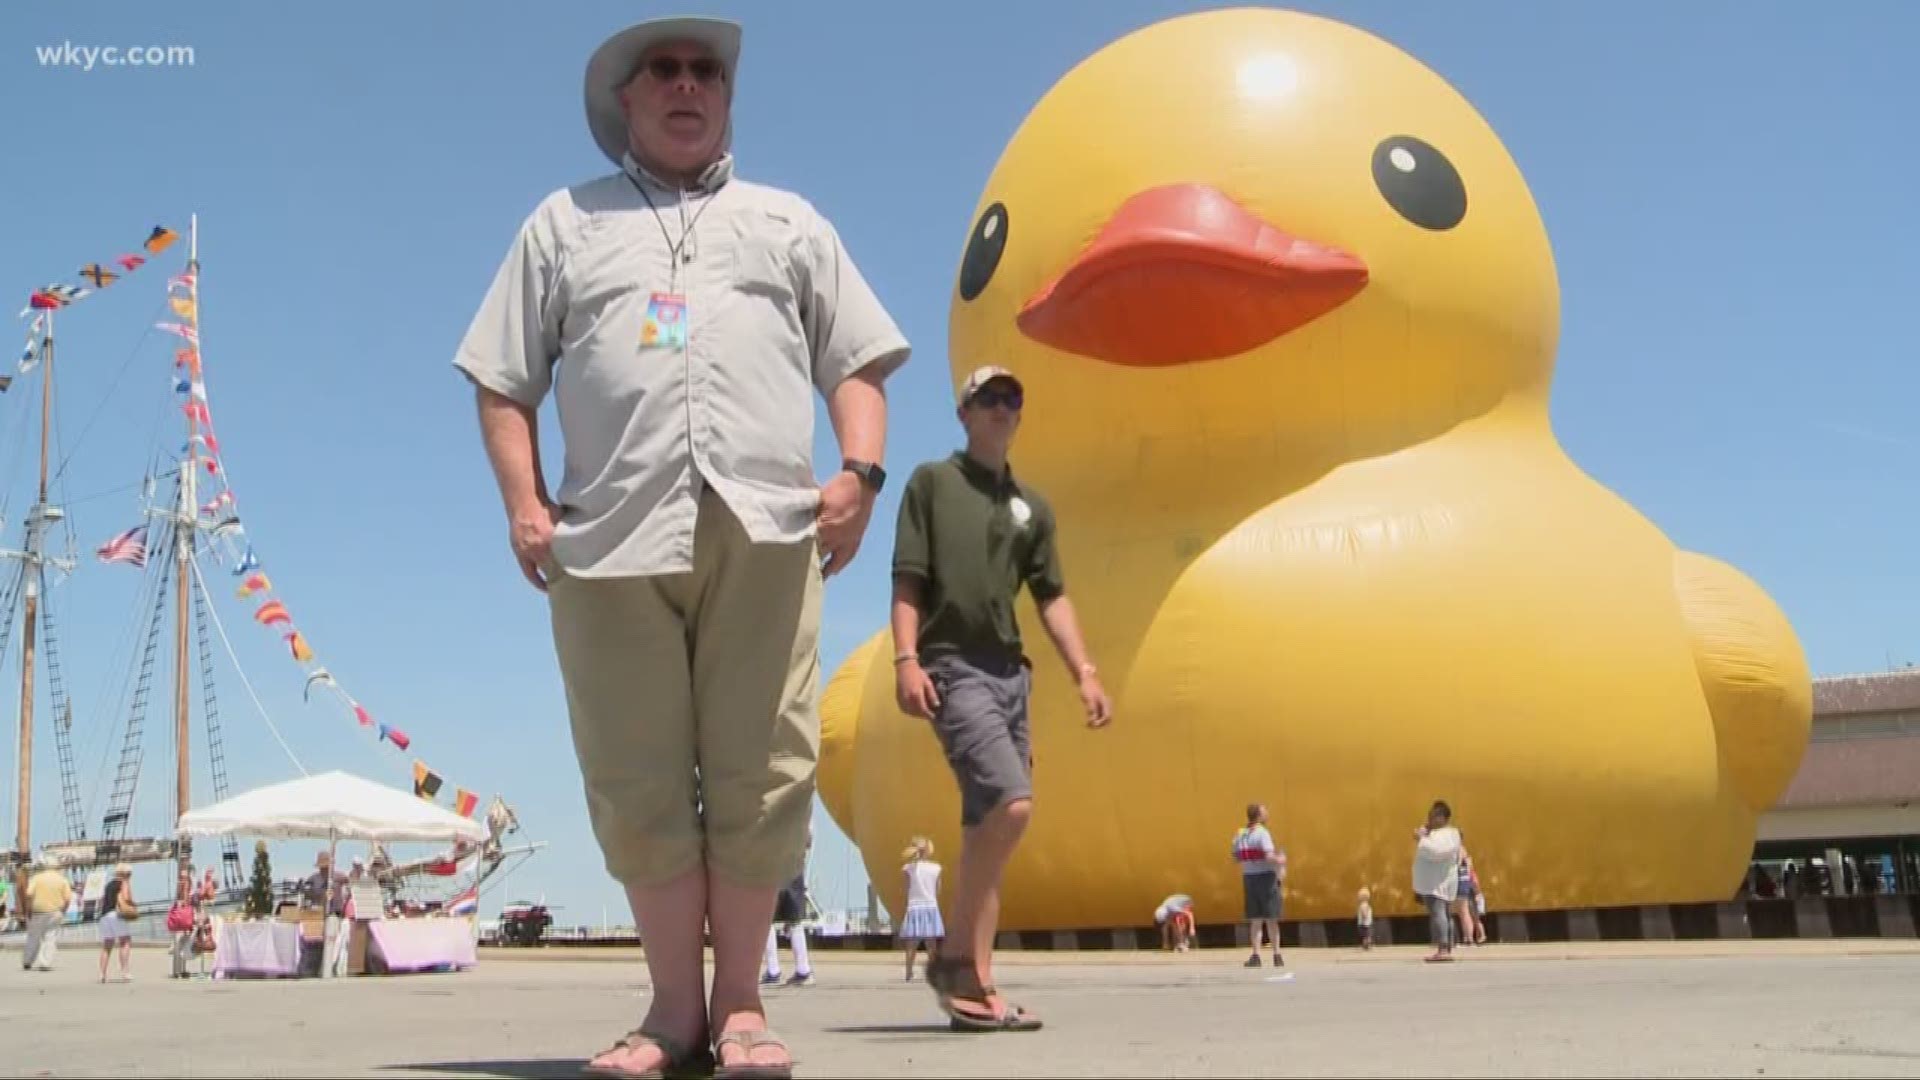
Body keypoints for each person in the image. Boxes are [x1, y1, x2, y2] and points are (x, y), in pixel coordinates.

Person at [454, 15, 908, 1078]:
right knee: (633, 770)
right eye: (663, 67)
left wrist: (861, 475)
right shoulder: (563, 224)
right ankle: (672, 1014)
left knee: (764, 765)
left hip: (767, 524)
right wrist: (524, 504)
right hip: (604, 534)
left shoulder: (787, 222)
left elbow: (858, 362)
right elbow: (502, 376)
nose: (687, 83)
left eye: (708, 68)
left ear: (727, 95)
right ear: (626, 97)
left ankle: (743, 1006)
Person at [892, 364, 1112, 1032]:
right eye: (989, 398)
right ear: (963, 412)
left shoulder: (1031, 509)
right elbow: (908, 577)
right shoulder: (932, 483)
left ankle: (975, 987)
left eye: (1013, 398)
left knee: (986, 827)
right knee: (1011, 806)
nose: (1002, 408)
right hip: (951, 667)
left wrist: (1085, 672)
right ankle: (957, 956)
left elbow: (1052, 597)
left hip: (1012, 674)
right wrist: (906, 660)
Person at [1233, 804, 1286, 968]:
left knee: (1255, 920)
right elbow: (1269, 856)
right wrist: (1281, 860)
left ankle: (1256, 955)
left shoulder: (1240, 834)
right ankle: (1277, 955)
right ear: (1259, 816)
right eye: (1265, 811)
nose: (1267, 813)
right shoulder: (1262, 833)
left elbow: (1236, 857)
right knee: (1271, 918)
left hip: (1249, 877)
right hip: (1266, 878)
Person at [1412, 800, 1464, 963]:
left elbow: (1436, 852)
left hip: (1438, 883)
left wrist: (1421, 839)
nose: (1430, 819)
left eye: (1433, 815)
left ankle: (1443, 948)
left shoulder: (1448, 835)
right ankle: (1447, 946)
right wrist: (1425, 834)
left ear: (1442, 817)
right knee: (1445, 914)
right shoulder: (1440, 834)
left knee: (1439, 913)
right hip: (1437, 881)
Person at [763, 831, 815, 988]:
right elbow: (808, 840)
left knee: (766, 920)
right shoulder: (797, 813)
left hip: (771, 863)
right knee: (794, 921)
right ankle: (802, 969)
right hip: (792, 863)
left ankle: (774, 970)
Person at [898, 837, 945, 980]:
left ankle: (908, 972)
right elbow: (938, 889)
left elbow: (906, 888)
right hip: (931, 906)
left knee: (911, 944)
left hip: (914, 906)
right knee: (931, 944)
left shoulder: (908, 869)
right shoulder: (936, 868)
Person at [22, 857, 73, 972]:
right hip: (55, 911)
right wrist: (63, 910)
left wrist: (28, 909)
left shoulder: (36, 878)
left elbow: (29, 894)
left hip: (37, 911)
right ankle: (45, 962)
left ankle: (27, 961)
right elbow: (68, 898)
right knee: (50, 937)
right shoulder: (62, 880)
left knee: (33, 937)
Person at [97, 864, 136, 983]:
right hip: (117, 915)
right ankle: (125, 972)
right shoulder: (123, 883)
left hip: (104, 916)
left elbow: (103, 900)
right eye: (129, 874)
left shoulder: (109, 885)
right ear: (125, 874)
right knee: (125, 941)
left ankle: (102, 974)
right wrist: (132, 903)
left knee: (107, 945)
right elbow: (126, 897)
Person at [1356, 887, 1375, 951]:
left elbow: (1364, 913)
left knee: (1365, 936)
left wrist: (1364, 917)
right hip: (1367, 923)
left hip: (1364, 924)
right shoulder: (1365, 904)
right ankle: (1367, 945)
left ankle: (1366, 946)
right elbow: (1365, 913)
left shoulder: (1363, 905)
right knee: (1368, 935)